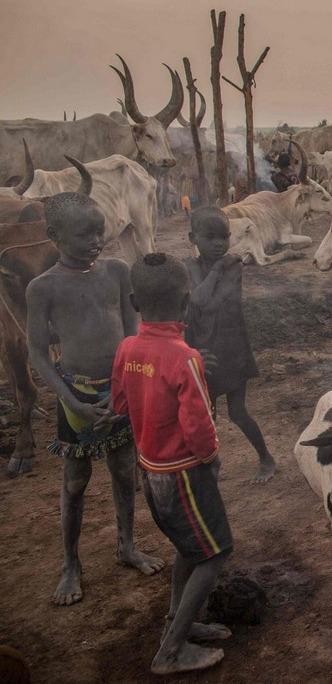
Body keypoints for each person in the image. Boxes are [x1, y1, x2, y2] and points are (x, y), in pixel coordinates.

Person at [26, 192, 164, 607]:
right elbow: (37, 351)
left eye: (99, 230)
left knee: (124, 473)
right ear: (54, 236)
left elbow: (131, 333)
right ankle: (71, 563)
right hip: (77, 395)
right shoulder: (43, 287)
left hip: (118, 389)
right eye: (84, 233)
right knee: (75, 481)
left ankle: (127, 545)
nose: (95, 240)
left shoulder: (118, 272)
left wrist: (127, 388)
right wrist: (70, 400)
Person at [114, 253, 232, 675]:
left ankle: (177, 624)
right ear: (187, 303)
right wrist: (212, 459)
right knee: (216, 552)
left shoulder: (127, 348)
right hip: (185, 474)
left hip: (151, 471)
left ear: (133, 302)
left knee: (189, 547)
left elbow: (120, 403)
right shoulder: (185, 358)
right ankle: (171, 651)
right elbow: (199, 425)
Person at [184, 207, 276, 484]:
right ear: (193, 238)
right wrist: (217, 268)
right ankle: (211, 461)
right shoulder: (192, 266)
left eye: (223, 237)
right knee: (205, 412)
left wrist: (215, 273)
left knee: (238, 412)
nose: (219, 244)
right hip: (201, 347)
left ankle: (266, 458)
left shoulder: (235, 265)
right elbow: (201, 300)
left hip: (231, 347)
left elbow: (203, 302)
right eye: (210, 237)